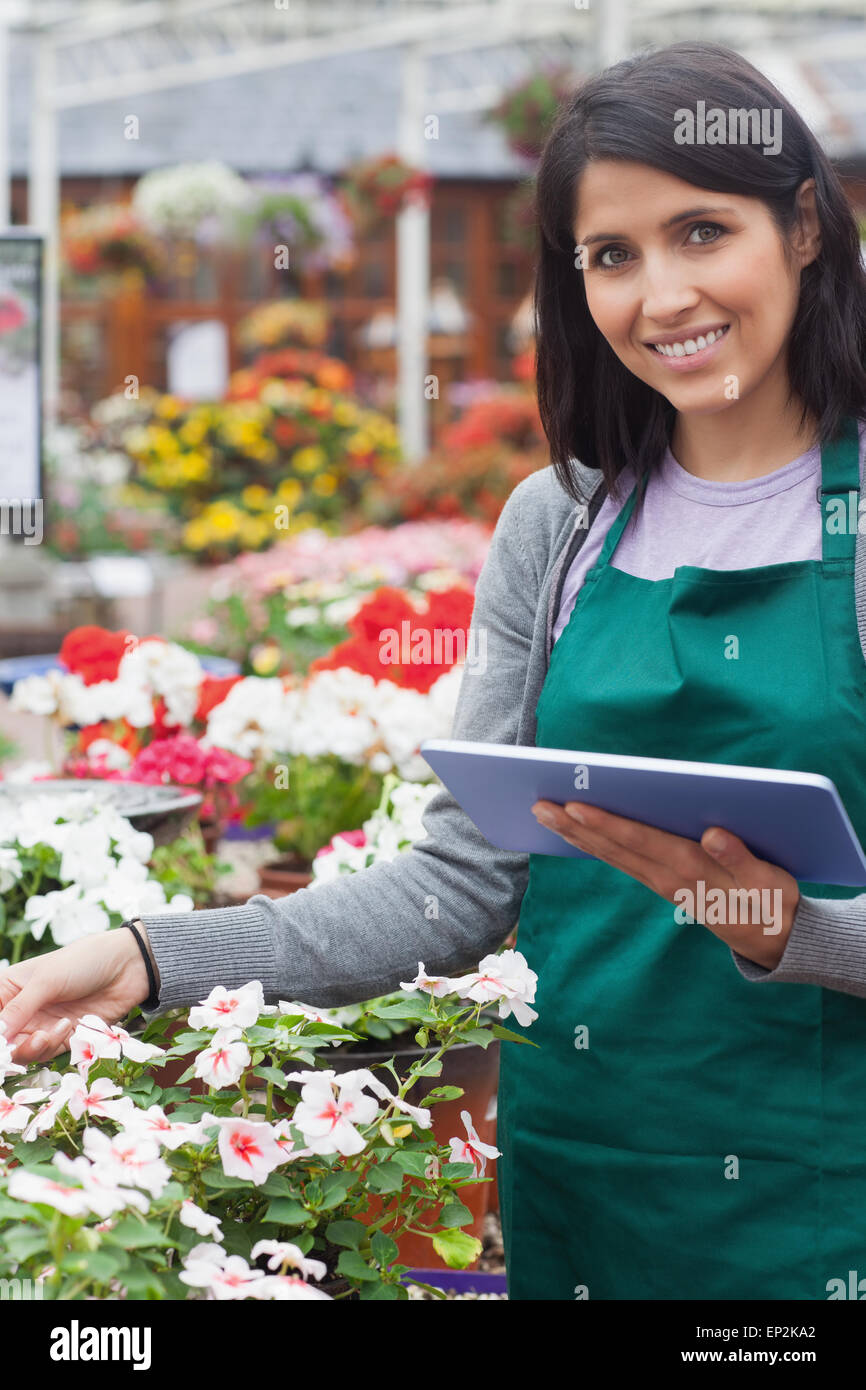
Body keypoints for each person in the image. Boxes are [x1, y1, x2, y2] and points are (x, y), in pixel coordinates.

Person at [4, 40, 866, 1300]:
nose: (660, 294)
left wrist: (787, 925)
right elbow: (457, 887)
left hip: (815, 1194)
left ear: (798, 228)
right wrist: (147, 958)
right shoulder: (560, 520)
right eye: (611, 256)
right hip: (580, 1171)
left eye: (699, 231)